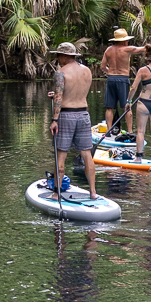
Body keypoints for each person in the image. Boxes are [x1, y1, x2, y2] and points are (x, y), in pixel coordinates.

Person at [47, 41, 100, 198]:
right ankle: (93, 192)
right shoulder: (87, 71)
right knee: (86, 155)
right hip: (83, 115)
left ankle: (56, 194)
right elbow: (77, 92)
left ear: (64, 56)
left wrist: (54, 120)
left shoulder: (61, 73)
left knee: (61, 154)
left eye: (58, 55)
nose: (57, 59)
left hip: (66, 116)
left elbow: (59, 99)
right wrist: (57, 95)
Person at [98, 28, 144, 135]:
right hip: (122, 79)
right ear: (124, 41)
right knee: (127, 106)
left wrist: (111, 72)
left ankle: (109, 131)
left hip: (111, 79)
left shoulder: (108, 50)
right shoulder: (127, 49)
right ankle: (130, 131)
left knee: (110, 107)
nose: (127, 41)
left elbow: (102, 66)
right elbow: (143, 49)